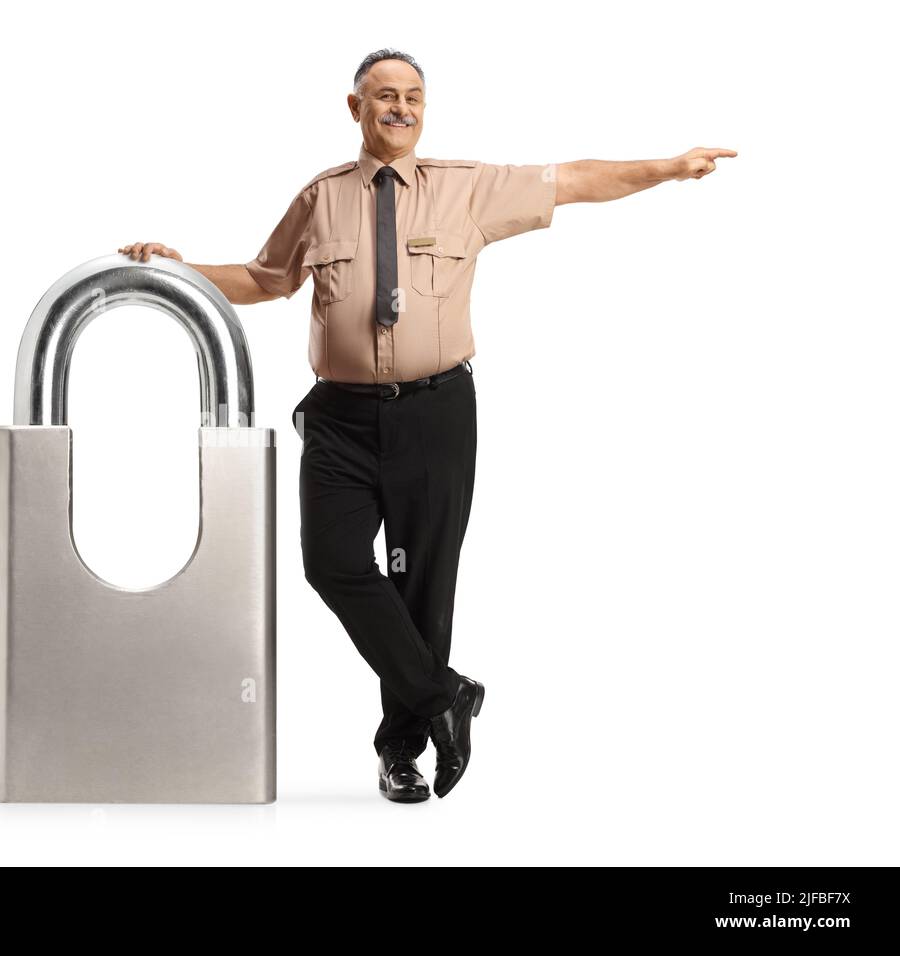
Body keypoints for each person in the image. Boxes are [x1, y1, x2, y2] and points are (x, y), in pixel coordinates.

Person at [118, 48, 735, 803]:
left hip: (436, 413)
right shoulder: (321, 198)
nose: (400, 108)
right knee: (332, 563)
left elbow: (572, 180)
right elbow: (266, 279)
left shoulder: (466, 190)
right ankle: (446, 696)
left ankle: (400, 751)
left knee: (423, 586)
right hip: (341, 419)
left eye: (413, 96)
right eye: (384, 96)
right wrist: (181, 269)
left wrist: (667, 168)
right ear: (355, 108)